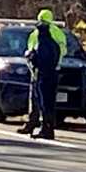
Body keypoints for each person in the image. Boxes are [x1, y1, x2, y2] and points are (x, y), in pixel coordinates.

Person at [21, 8, 68, 139]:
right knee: (48, 101)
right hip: (54, 70)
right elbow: (63, 50)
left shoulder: (39, 34)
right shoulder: (57, 33)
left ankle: (42, 127)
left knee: (41, 100)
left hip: (41, 71)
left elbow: (36, 53)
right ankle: (44, 126)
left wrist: (31, 57)